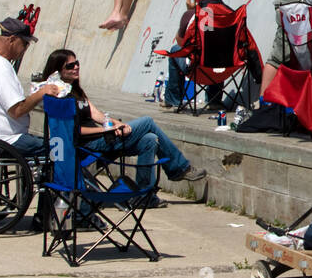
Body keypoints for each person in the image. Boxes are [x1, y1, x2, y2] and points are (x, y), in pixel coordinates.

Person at [40, 48, 207, 199]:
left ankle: (143, 196)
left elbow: (96, 114)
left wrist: (113, 124)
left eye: (76, 63)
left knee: (149, 139)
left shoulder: (76, 90)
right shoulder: (60, 97)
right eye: (70, 66)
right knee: (147, 121)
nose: (76, 67)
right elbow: (74, 131)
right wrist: (107, 131)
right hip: (88, 145)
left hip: (103, 137)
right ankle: (179, 168)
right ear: (58, 71)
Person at [0, 17, 57, 156]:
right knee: (60, 148)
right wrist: (42, 93)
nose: (25, 49)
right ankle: (60, 178)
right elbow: (17, 110)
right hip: (4, 140)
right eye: (25, 44)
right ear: (12, 40)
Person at [163, 0, 226, 109]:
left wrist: (190, 12)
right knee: (217, 53)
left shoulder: (193, 15)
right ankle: (214, 100)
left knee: (175, 50)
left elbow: (181, 43)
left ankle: (173, 99)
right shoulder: (229, 14)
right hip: (226, 67)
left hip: (199, 68)